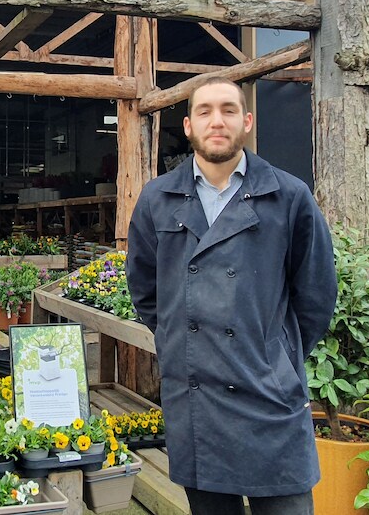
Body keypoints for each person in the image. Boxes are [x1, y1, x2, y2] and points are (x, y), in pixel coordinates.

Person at [126, 77, 337, 515]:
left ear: (247, 121)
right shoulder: (157, 198)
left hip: (268, 391)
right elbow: (145, 290)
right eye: (204, 111)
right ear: (187, 126)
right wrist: (181, 343)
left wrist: (275, 351)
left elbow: (316, 293)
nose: (215, 121)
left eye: (227, 110)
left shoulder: (288, 195)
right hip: (197, 398)